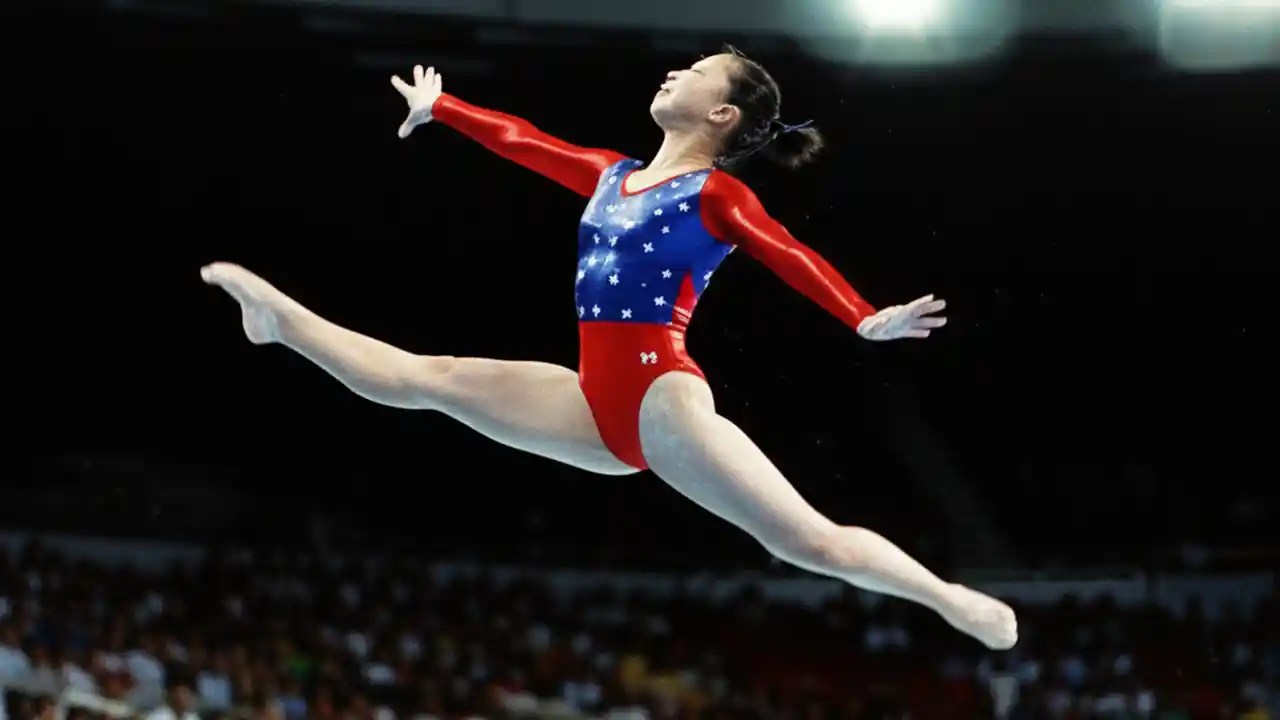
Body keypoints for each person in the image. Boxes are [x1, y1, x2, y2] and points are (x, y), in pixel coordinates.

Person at [202, 46, 1016, 649]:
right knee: (433, 379)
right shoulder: (609, 175)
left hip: (663, 391)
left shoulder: (718, 193)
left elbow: (782, 252)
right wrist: (442, 110)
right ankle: (284, 324)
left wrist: (862, 315)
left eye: (696, 72)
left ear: (722, 113)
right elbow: (524, 141)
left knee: (805, 541)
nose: (674, 74)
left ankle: (946, 597)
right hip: (593, 401)